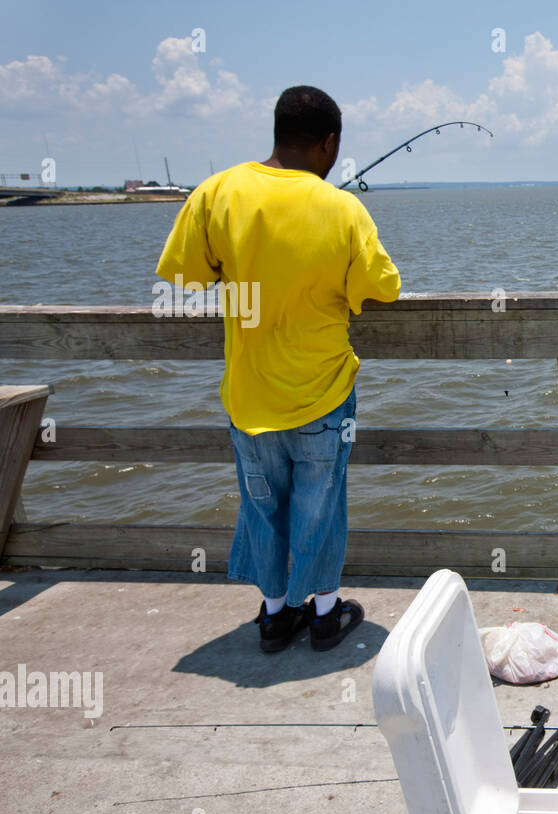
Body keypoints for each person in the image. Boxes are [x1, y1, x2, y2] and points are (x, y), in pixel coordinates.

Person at [156, 85, 401, 653]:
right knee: (321, 506)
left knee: (263, 506)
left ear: (276, 132)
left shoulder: (217, 192)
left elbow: (186, 276)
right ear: (329, 142)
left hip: (249, 395)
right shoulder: (341, 208)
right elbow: (383, 287)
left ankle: (272, 616)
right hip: (323, 392)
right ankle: (321, 614)